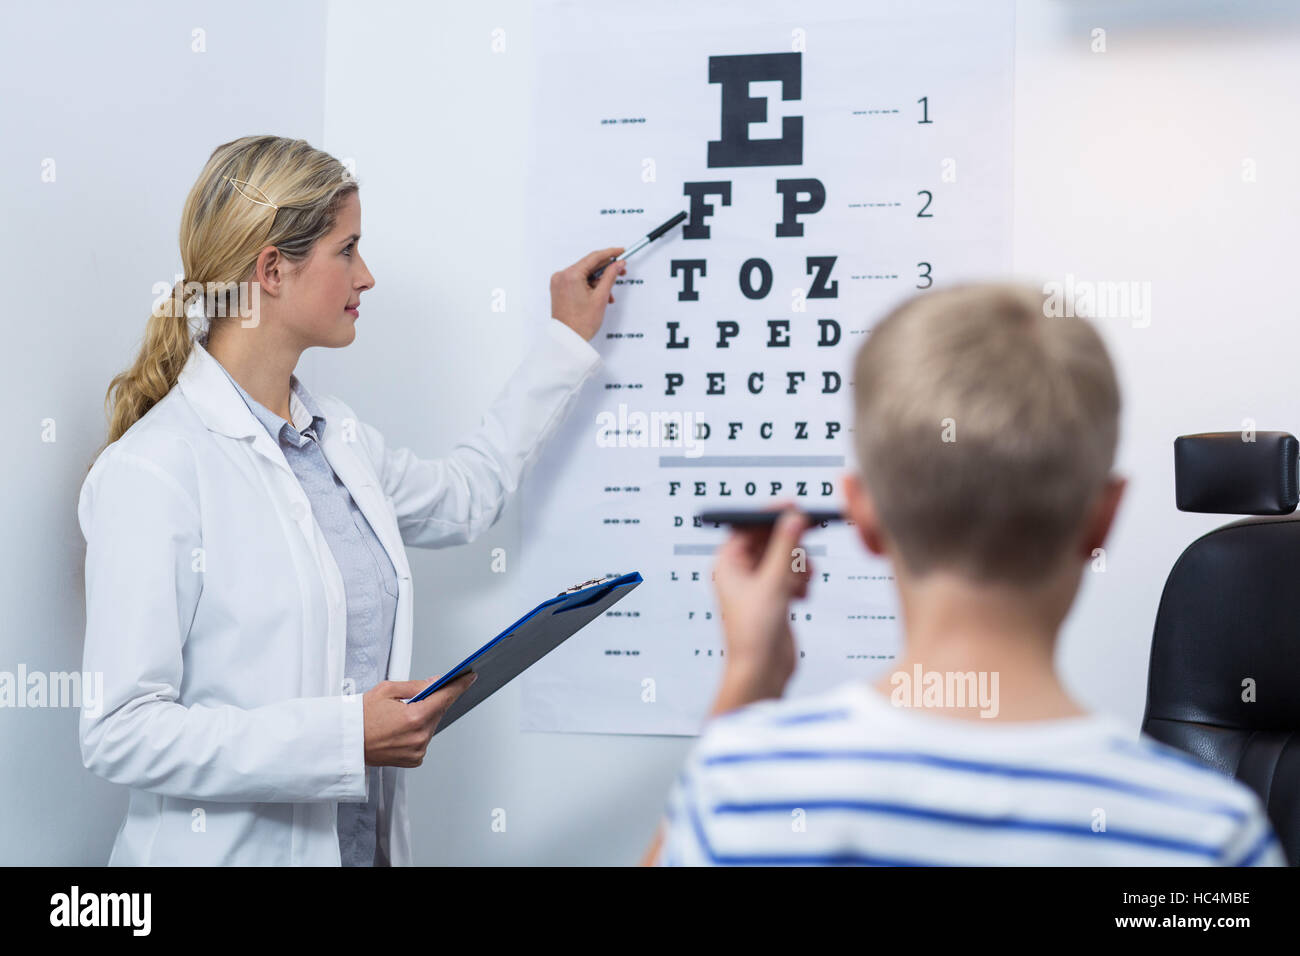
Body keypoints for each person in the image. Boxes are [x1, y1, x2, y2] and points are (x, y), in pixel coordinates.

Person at [78, 134, 626, 865]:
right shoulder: (154, 470)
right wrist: (345, 738)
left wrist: (564, 341)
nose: (366, 277)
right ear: (272, 268)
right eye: (348, 249)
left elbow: (465, 498)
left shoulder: (339, 441)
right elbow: (120, 730)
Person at [643, 283, 1286, 866]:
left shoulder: (741, 794)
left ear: (863, 515)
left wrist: (749, 677)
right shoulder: (1209, 835)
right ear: (1103, 519)